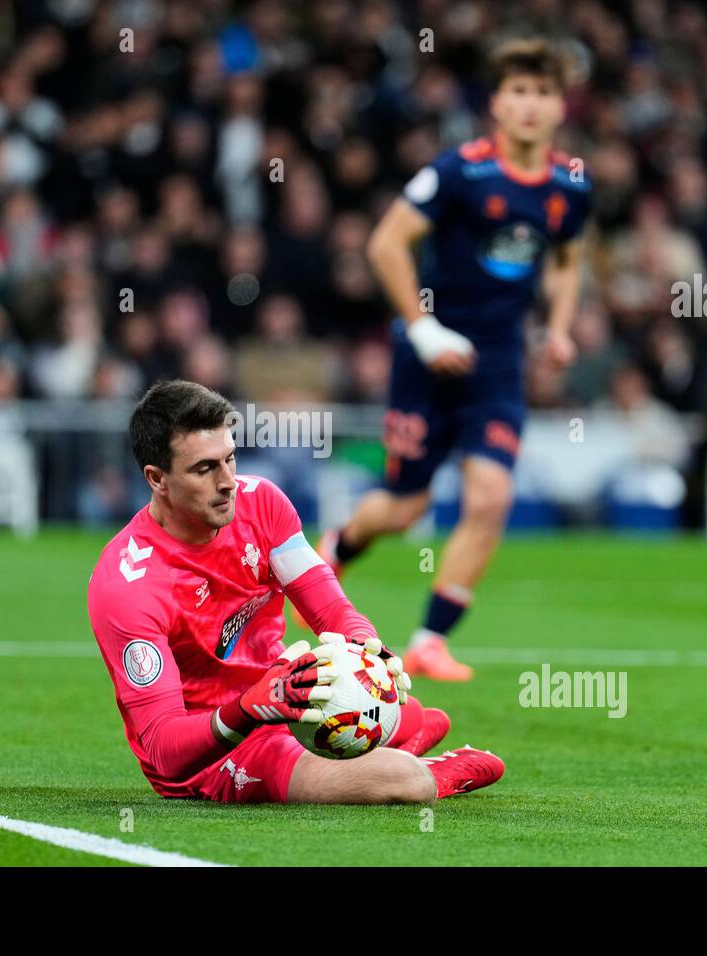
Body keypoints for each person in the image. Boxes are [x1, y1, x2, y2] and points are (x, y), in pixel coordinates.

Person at [315, 39, 592, 681]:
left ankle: (429, 639)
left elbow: (568, 260)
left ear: (559, 106)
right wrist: (423, 328)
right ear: (496, 103)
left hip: (496, 367)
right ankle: (335, 548)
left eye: (543, 92)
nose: (530, 105)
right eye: (518, 91)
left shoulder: (570, 187)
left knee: (491, 496)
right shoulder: (459, 171)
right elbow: (386, 243)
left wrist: (557, 328)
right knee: (405, 507)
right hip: (427, 359)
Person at [87, 380, 505, 803]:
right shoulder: (128, 586)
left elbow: (329, 606)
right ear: (157, 479)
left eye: (230, 459)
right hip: (216, 748)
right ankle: (419, 769)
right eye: (205, 468)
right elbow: (164, 751)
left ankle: (388, 745)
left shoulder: (262, 503)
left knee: (406, 712)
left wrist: (368, 650)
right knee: (406, 782)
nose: (229, 481)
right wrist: (249, 707)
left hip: (289, 695)